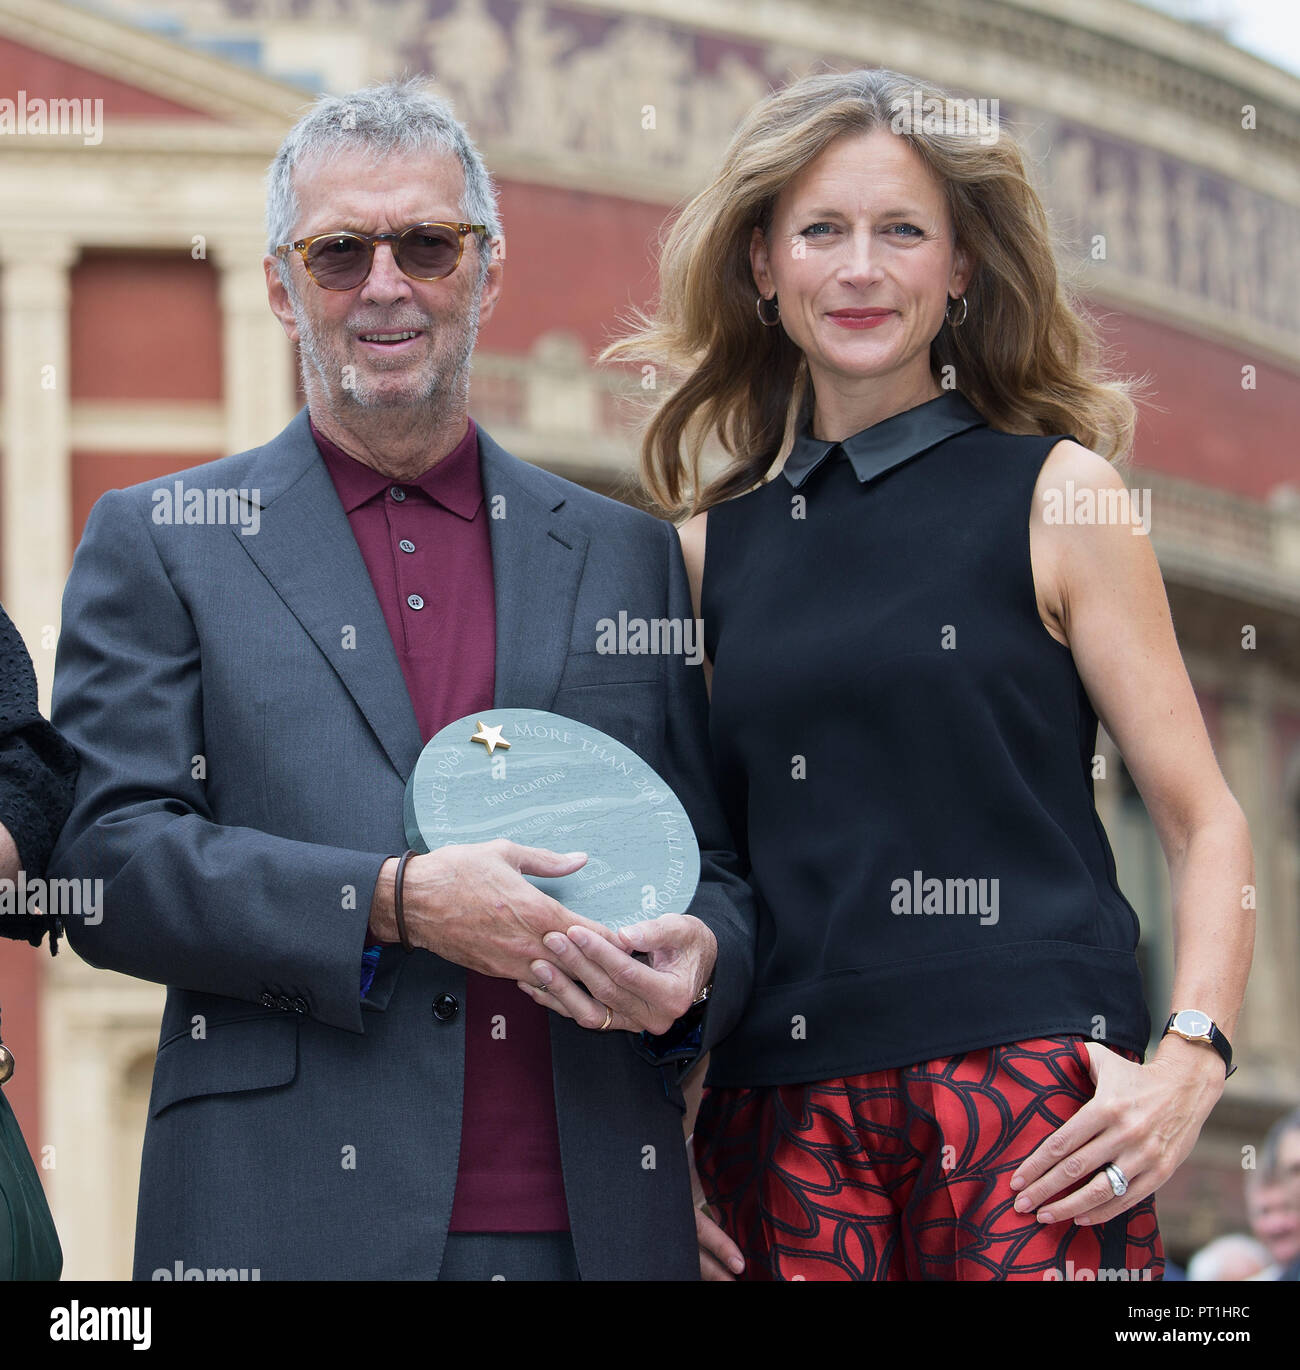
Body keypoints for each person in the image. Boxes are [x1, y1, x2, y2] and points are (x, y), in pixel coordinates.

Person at [48, 79, 753, 1281]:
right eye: (338, 252)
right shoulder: (161, 537)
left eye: (428, 244)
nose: (386, 283)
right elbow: (105, 862)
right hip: (281, 1221)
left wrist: (702, 968)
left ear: (485, 272)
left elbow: (716, 863)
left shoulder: (626, 550)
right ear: (281, 285)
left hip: (594, 1226)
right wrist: (392, 900)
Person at [599, 66, 1254, 1280]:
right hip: (777, 1122)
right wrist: (668, 1136)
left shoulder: (1061, 495)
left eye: (902, 230)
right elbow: (702, 880)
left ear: (959, 270)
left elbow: (1203, 818)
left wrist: (1190, 1058)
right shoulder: (697, 558)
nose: (860, 268)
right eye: (820, 231)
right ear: (761, 263)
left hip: (1035, 1109)